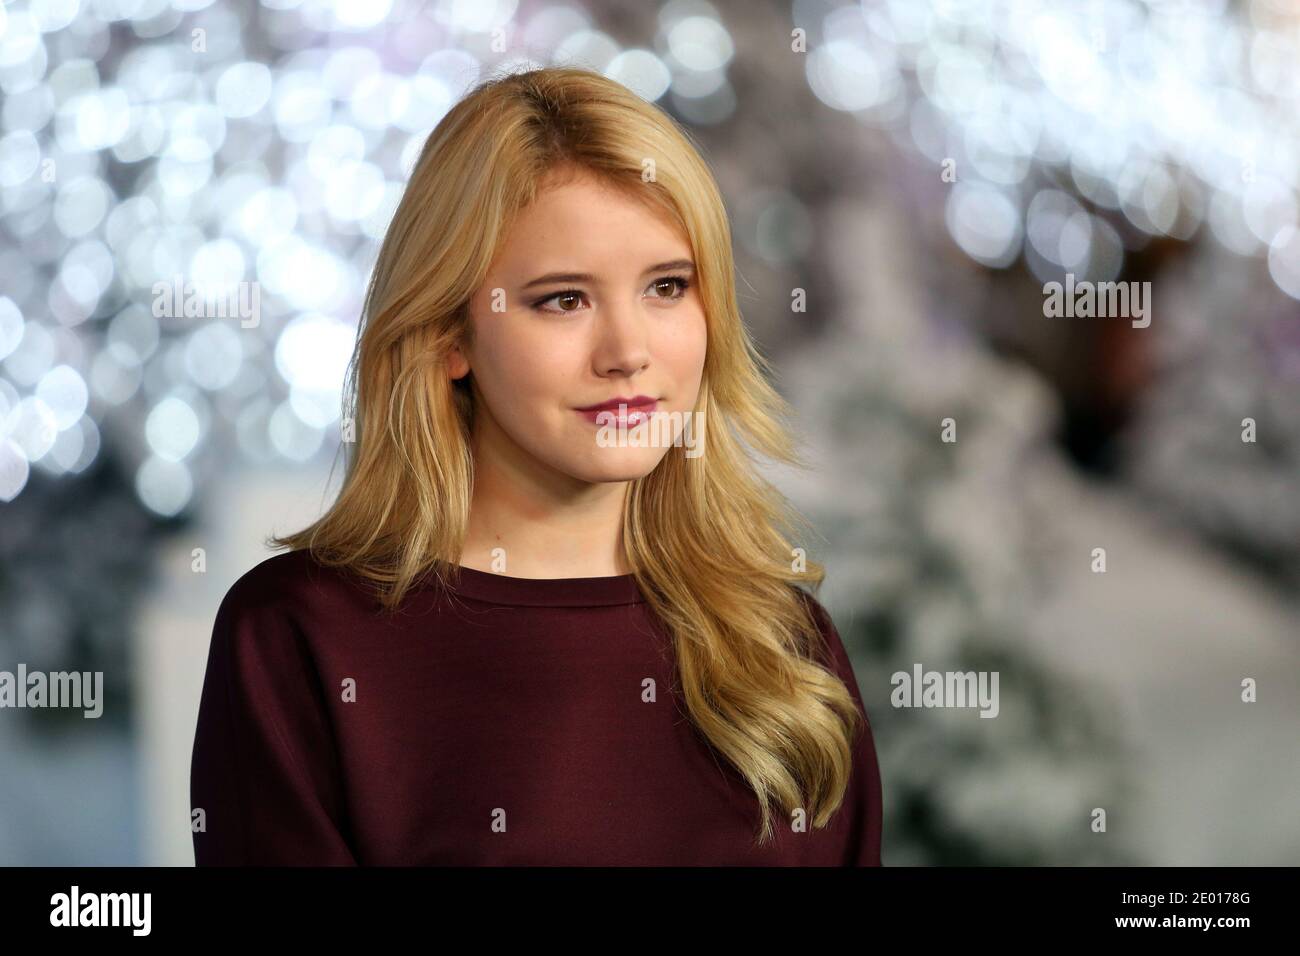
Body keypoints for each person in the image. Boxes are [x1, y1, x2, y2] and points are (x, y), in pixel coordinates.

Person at [189, 66, 882, 866]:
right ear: (448, 333)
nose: (629, 353)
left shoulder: (784, 644)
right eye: (564, 299)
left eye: (666, 286)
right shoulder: (298, 638)